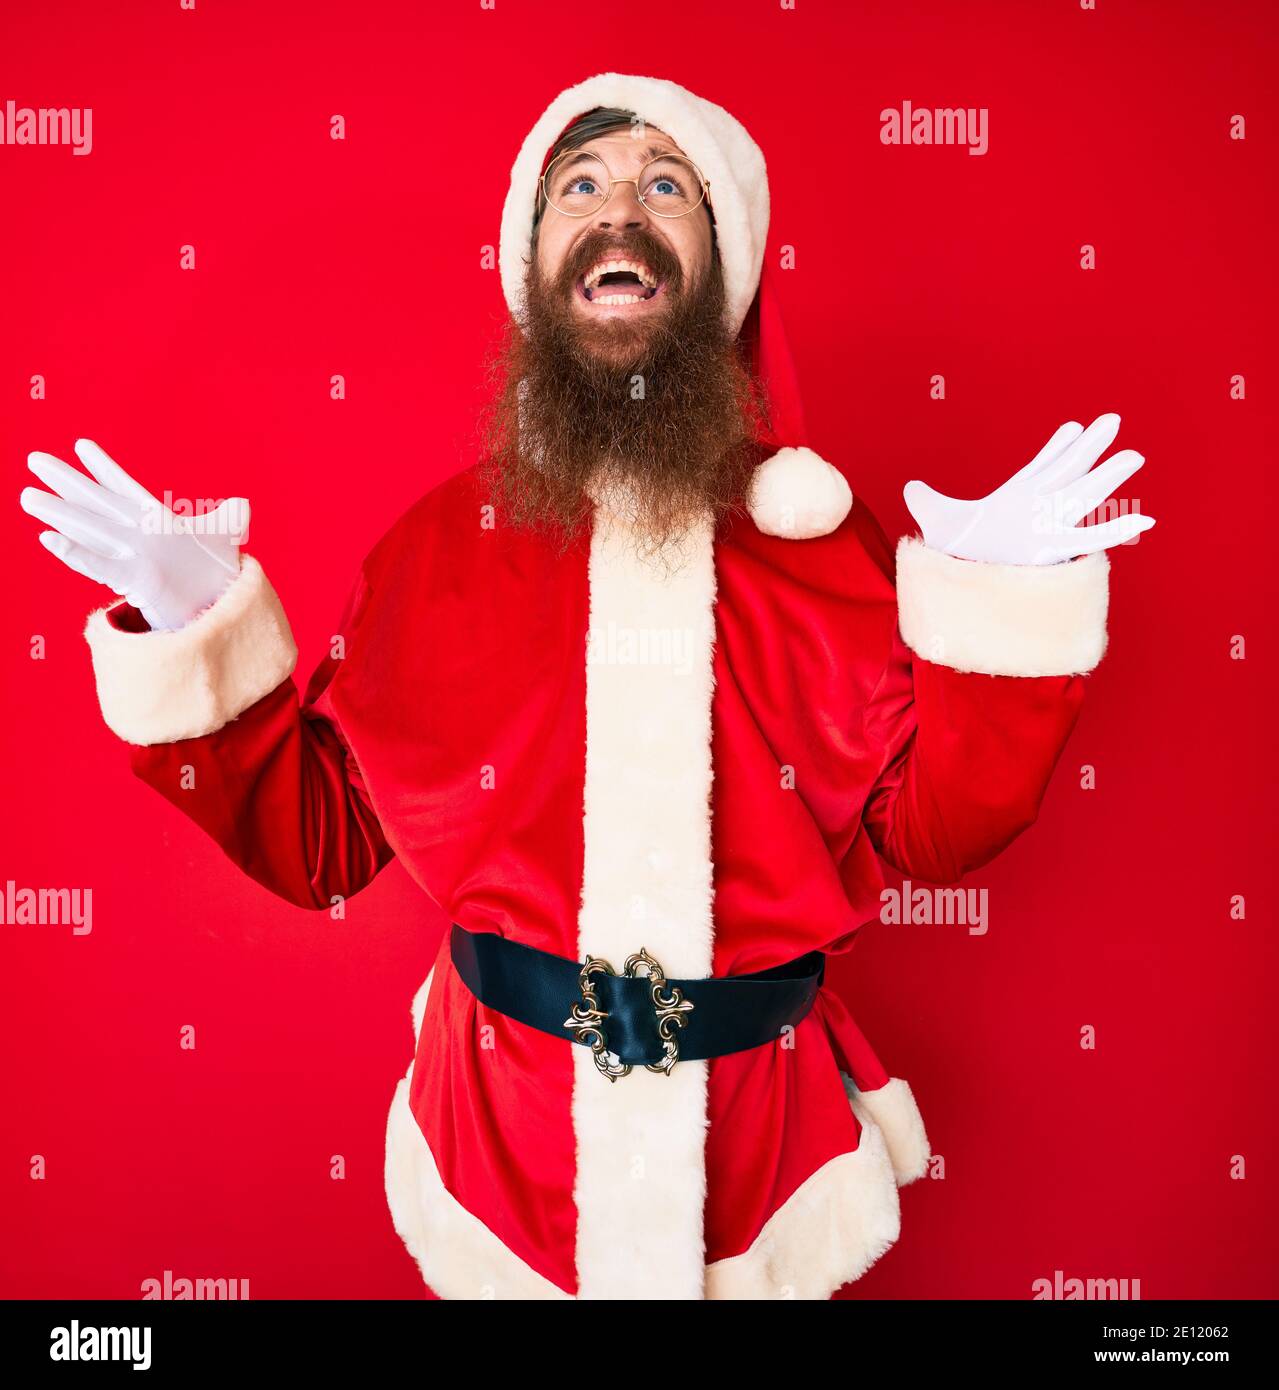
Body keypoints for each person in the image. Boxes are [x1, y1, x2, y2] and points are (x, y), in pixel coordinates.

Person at [18, 72, 1154, 1301]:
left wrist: (995, 625)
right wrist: (197, 636)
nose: (622, 209)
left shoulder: (821, 543)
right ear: (532, 258)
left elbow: (929, 827)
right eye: (582, 185)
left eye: (667, 185)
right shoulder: (436, 548)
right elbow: (324, 841)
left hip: (756, 1158)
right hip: (504, 1157)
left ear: (720, 270)